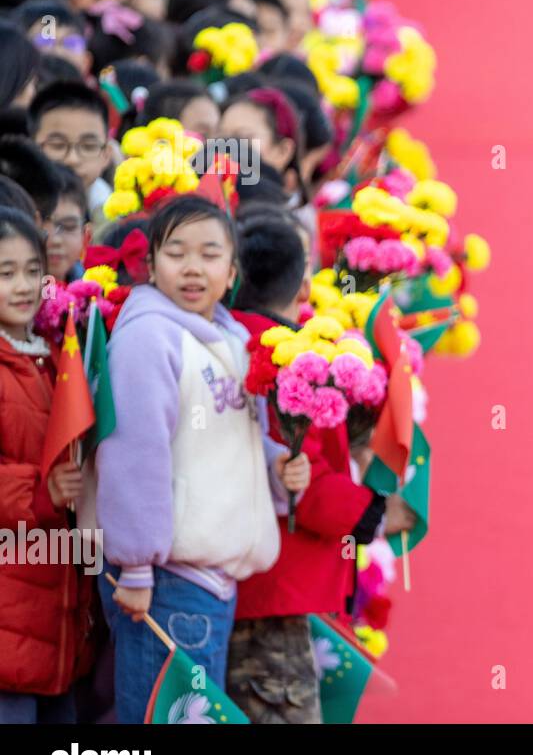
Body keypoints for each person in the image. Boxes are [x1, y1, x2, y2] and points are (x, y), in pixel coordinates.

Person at [78, 194, 311, 723]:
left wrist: (278, 468)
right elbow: (135, 455)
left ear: (231, 272)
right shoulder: (148, 338)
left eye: (209, 254)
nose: (191, 267)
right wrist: (135, 566)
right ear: (151, 264)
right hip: (167, 581)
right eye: (175, 251)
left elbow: (232, 439)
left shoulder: (229, 339)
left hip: (209, 585)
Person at [226, 213, 400, 722]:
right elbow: (307, 478)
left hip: (244, 581)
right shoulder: (290, 360)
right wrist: (370, 511)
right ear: (303, 282)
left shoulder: (228, 337)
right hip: (276, 587)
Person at [0, 205, 95, 722]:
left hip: (58, 607)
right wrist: (40, 492)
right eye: (4, 272)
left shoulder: (56, 353)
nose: (21, 285)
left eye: (31, 271)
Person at [27, 81, 113, 231]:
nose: (72, 159)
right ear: (31, 147)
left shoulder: (116, 219)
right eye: (57, 145)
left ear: (106, 155)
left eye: (88, 146)